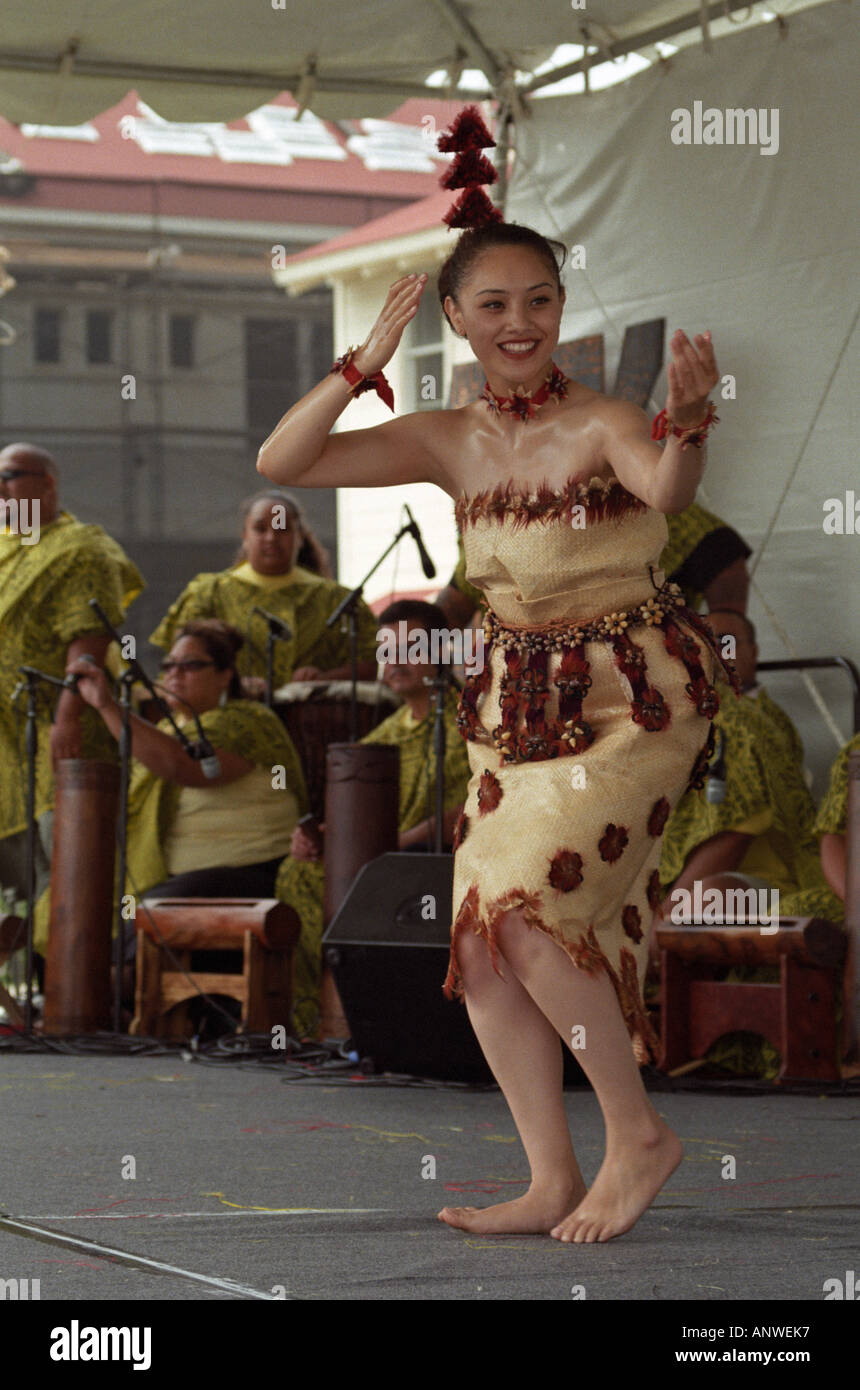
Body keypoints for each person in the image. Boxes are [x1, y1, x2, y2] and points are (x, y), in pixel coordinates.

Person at [255, 187, 735, 1241]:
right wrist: (357, 362)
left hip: (633, 695)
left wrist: (688, 420)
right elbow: (281, 464)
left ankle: (636, 1134)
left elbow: (663, 484)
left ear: (558, 308)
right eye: (492, 304)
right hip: (513, 709)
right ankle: (551, 1175)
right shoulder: (441, 437)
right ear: (457, 321)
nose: (518, 323)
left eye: (538, 300)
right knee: (479, 940)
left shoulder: (603, 419)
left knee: (521, 904)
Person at [277, 599, 471, 1037]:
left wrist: (395, 845)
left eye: (410, 647)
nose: (395, 660)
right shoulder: (384, 734)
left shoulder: (472, 721)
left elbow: (477, 806)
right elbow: (357, 814)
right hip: (386, 858)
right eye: (387, 649)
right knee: (299, 871)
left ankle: (367, 1022)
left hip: (446, 860)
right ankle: (328, 1018)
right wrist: (320, 837)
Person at [0, 442, 144, 958]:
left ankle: (74, 993)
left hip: (59, 732)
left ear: (48, 485)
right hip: (9, 742)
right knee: (22, 875)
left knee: (64, 861)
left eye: (11, 476)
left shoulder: (81, 547)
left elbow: (87, 641)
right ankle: (35, 997)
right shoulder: (4, 547)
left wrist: (67, 715)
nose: (0, 488)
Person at [68, 618, 307, 920]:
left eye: (190, 665)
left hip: (247, 875)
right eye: (168, 666)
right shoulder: (167, 728)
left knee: (136, 925)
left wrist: (107, 706)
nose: (174, 674)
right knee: (67, 911)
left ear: (225, 675)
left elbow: (181, 766)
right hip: (178, 878)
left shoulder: (249, 722)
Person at [150, 488, 379, 692]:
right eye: (260, 529)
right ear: (244, 536)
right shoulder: (208, 592)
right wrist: (234, 683)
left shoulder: (338, 599)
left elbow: (369, 664)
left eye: (282, 529)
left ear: (300, 536)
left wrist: (322, 679)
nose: (271, 538)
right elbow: (177, 663)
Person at [437, 498, 751, 631]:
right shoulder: (490, 522)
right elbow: (449, 608)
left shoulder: (620, 502)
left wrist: (726, 630)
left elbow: (721, 550)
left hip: (643, 674)